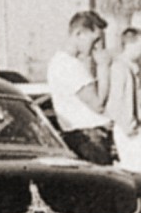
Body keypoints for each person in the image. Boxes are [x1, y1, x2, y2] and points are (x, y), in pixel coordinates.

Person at [47, 10, 115, 165]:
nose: (97, 46)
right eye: (95, 40)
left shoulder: (62, 62)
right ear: (79, 34)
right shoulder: (69, 65)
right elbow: (97, 104)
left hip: (84, 136)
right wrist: (103, 67)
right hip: (90, 138)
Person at [106, 27, 141, 171]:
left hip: (133, 126)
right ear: (130, 44)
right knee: (134, 168)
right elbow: (118, 99)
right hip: (128, 128)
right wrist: (129, 125)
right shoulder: (120, 68)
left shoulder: (132, 68)